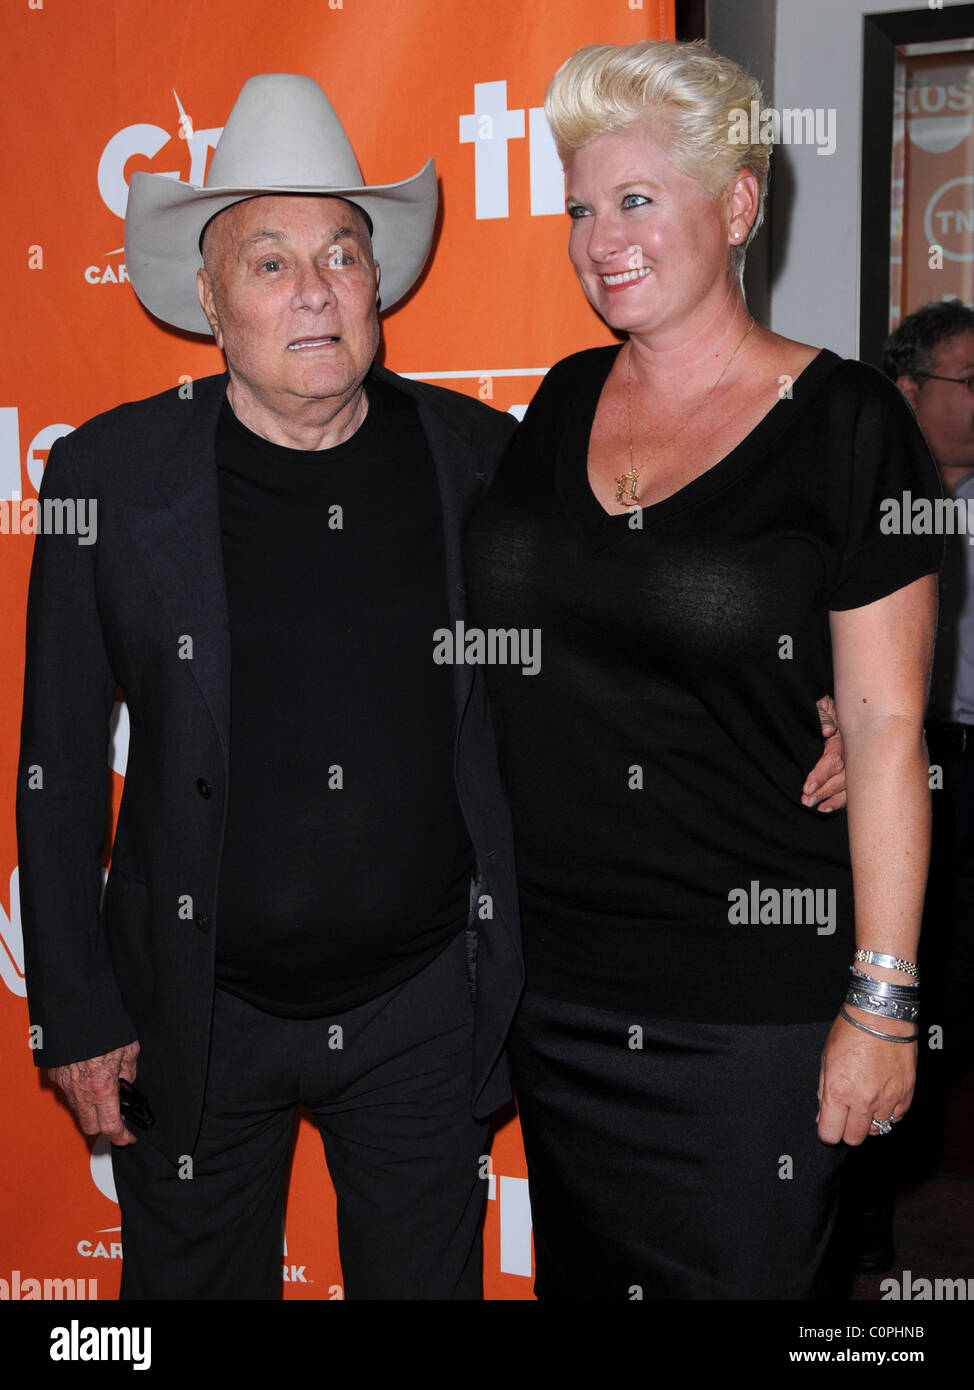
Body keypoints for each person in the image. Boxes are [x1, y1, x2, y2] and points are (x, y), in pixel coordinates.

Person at [16, 73, 523, 1300]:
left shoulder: (480, 462)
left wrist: (808, 697)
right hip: (193, 1005)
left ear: (378, 285)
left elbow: (602, 659)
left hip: (421, 1005)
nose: (314, 289)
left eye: (342, 254)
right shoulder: (111, 475)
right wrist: (73, 1010)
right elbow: (58, 762)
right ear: (207, 298)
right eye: (271, 261)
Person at [464, 39, 942, 1299]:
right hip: (556, 994)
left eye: (633, 200)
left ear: (733, 206)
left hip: (749, 1006)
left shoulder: (844, 425)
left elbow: (889, 729)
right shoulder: (558, 403)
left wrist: (881, 1002)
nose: (595, 238)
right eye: (578, 207)